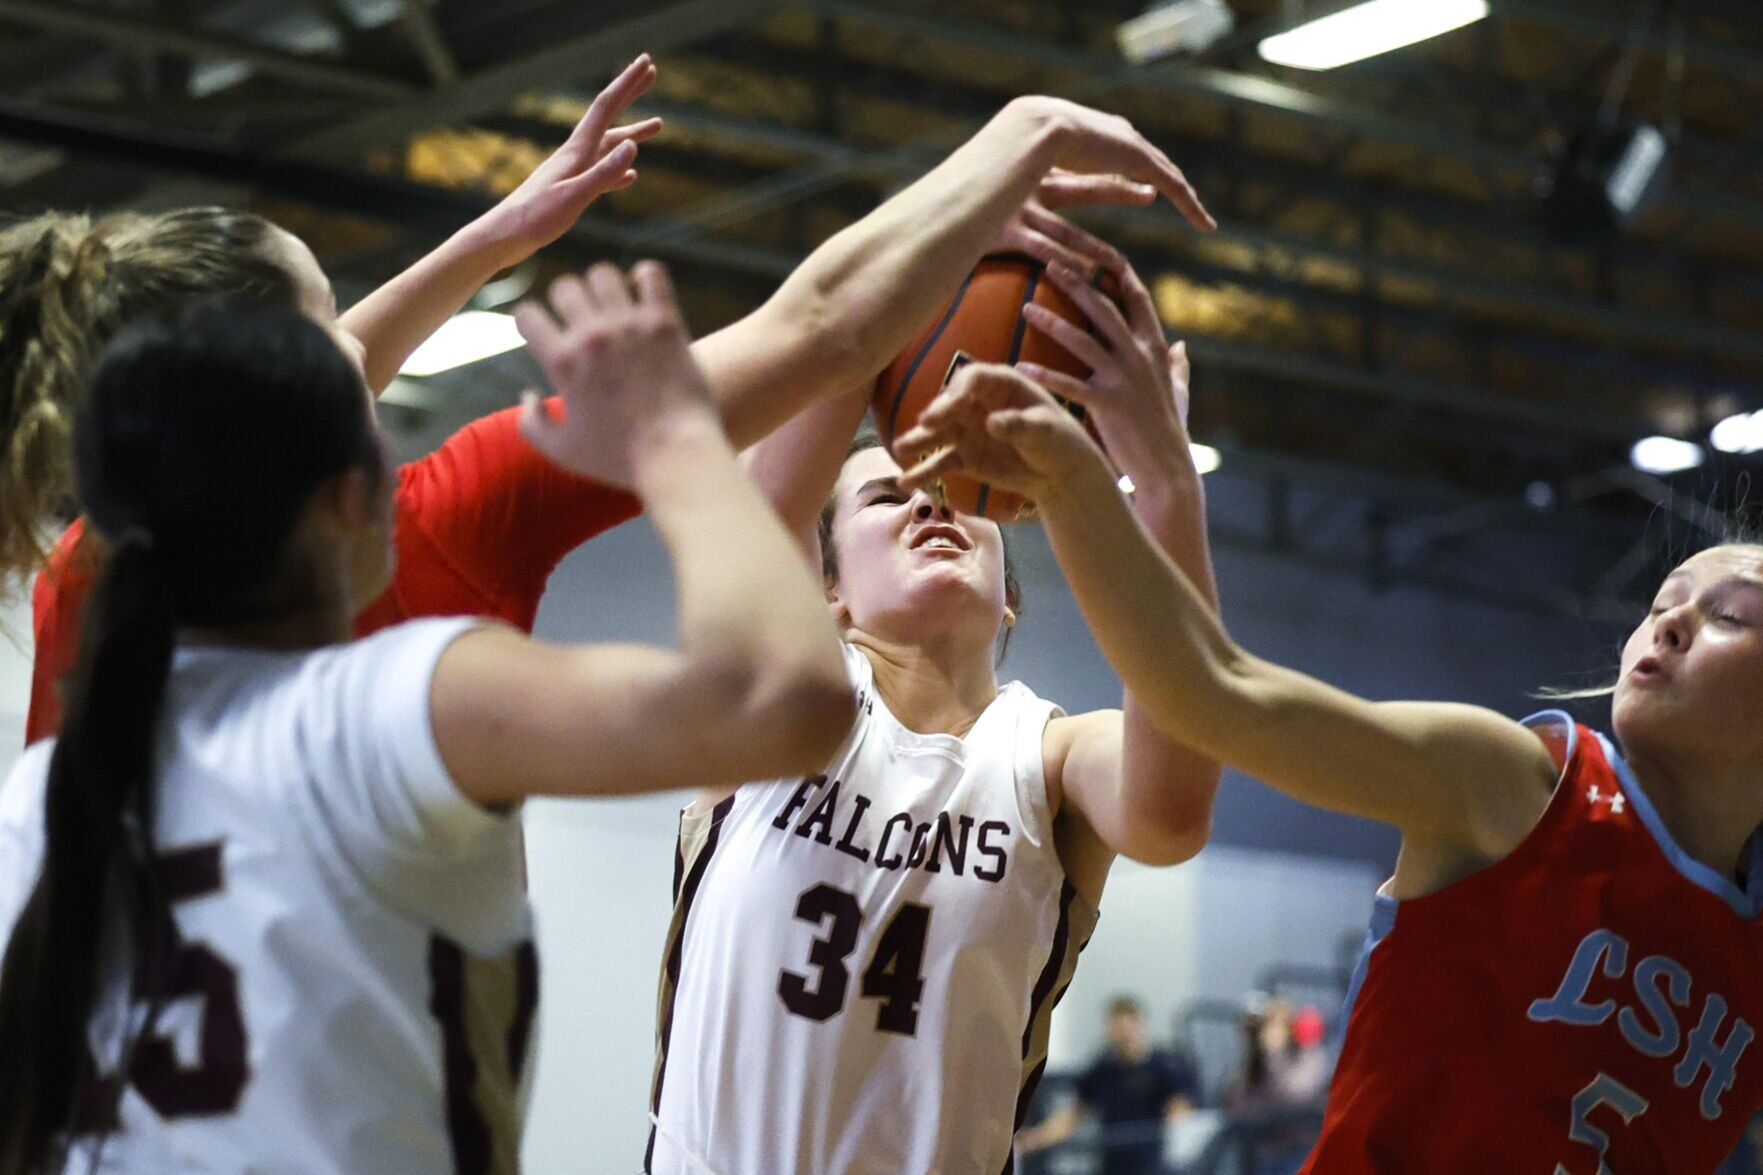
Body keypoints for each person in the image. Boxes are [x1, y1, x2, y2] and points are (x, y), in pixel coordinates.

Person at [10, 74, 1212, 749]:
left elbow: (250, 401)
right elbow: (818, 331)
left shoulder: (92, 577)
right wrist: (1015, 137)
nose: (360, 352)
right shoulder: (447, 563)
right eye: (334, 319)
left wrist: (488, 241)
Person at [0, 262, 853, 1173]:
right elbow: (782, 699)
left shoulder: (51, 788)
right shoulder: (381, 709)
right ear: (350, 503)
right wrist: (675, 434)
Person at [891, 351, 1763, 1172]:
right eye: (1659, 601)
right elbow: (1217, 690)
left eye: (1729, 613)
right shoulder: (1515, 783)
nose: (1668, 623)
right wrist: (1089, 481)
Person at [643, 246, 1224, 1174]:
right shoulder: (786, 698)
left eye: (952, 491)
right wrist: (910, 283)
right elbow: (756, 508)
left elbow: (1169, 813)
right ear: (828, 590)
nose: (928, 505)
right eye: (886, 495)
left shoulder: (1051, 757)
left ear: (1009, 595)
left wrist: (1162, 493)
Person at [1018, 995, 1199, 1175]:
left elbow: (1181, 1111)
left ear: (1139, 1025)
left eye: (1126, 1028)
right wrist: (1036, 1139)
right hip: (1112, 1165)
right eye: (1116, 1027)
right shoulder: (1102, 1071)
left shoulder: (1165, 1068)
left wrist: (1177, 1119)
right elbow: (1073, 1116)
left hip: (1151, 1165)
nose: (1122, 1035)